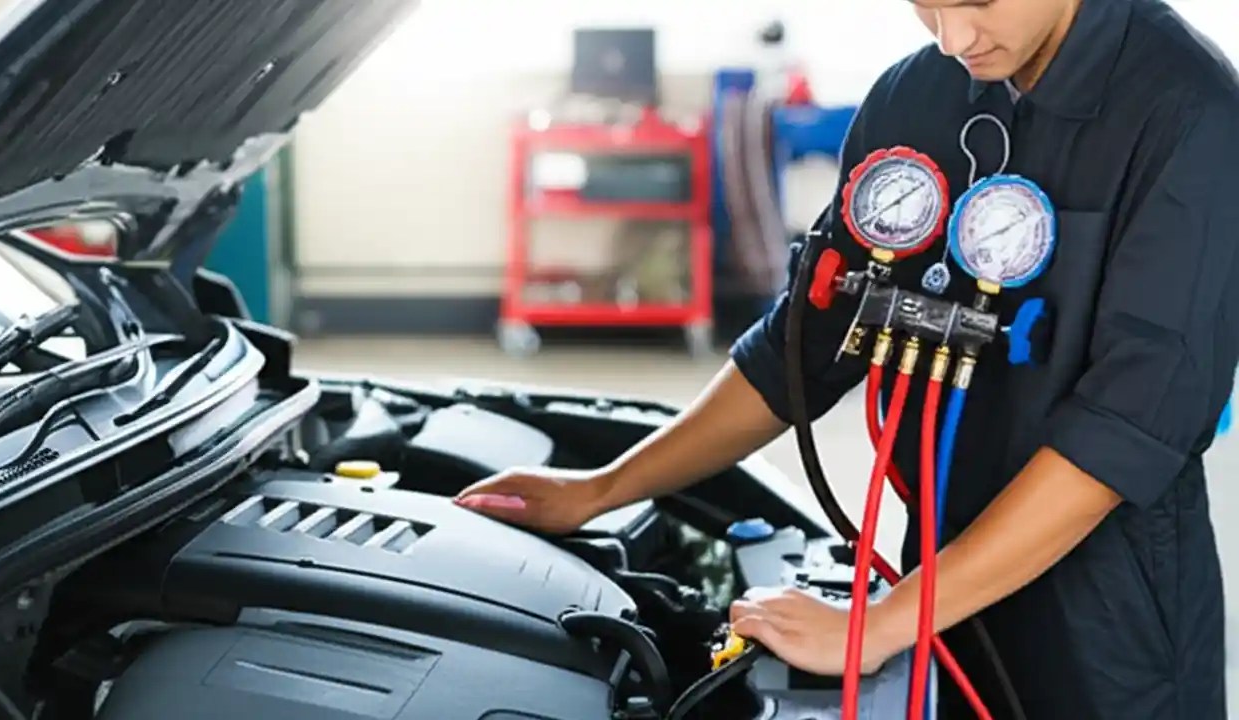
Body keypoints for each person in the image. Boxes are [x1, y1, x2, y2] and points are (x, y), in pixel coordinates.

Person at [457, 0, 1238, 717]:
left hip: (1108, 624)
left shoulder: (1190, 115)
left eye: (979, 1)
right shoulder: (918, 96)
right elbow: (800, 348)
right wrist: (602, 488)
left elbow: (1126, 430)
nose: (952, 37)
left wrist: (882, 624)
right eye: (928, 1)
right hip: (933, 578)